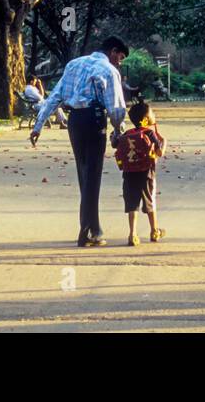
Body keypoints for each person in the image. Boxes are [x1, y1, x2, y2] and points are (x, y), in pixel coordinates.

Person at [31, 36, 129, 247]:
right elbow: (116, 108)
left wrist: (38, 125)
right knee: (93, 176)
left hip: (75, 122)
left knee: (84, 174)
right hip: (94, 121)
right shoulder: (109, 70)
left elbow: (55, 96)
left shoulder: (74, 65)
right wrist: (118, 130)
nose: (119, 62)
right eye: (120, 57)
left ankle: (93, 228)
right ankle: (87, 231)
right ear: (113, 52)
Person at [113, 101, 166, 246]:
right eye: (152, 112)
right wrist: (164, 141)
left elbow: (115, 144)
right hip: (146, 173)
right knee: (150, 201)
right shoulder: (149, 132)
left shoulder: (127, 134)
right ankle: (154, 231)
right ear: (146, 118)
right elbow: (159, 152)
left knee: (132, 203)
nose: (153, 114)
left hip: (129, 173)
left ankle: (132, 234)